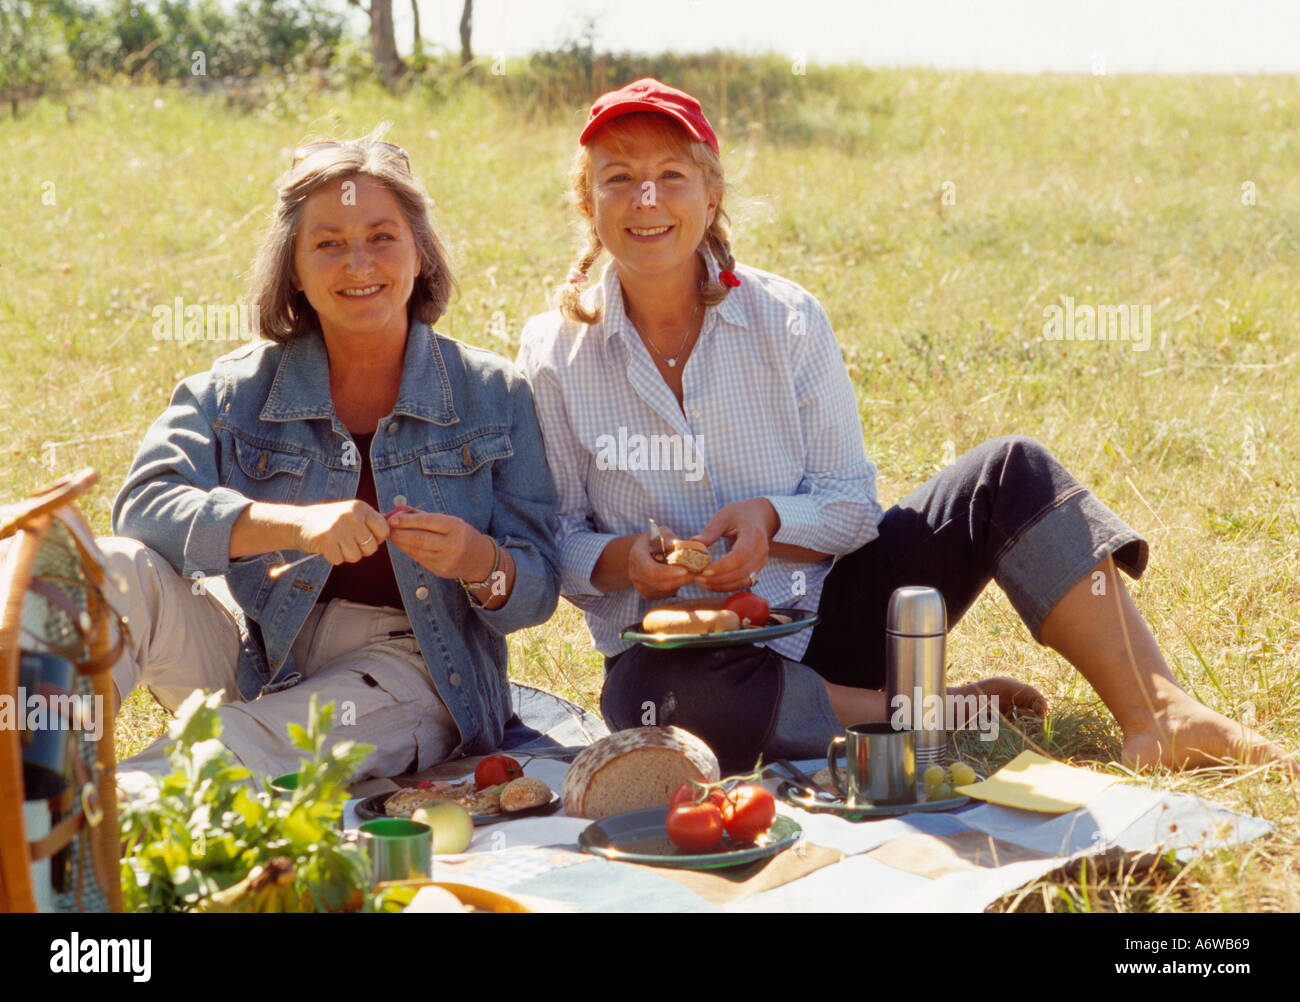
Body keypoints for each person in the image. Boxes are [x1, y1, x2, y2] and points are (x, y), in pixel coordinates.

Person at [517, 78, 1297, 775]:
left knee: (1011, 470)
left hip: (832, 616)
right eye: (619, 179)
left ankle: (1161, 716)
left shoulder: (785, 318)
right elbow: (554, 541)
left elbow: (854, 505)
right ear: (589, 204)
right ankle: (926, 711)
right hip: (682, 660)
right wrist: (627, 560)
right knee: (657, 710)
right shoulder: (552, 352)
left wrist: (772, 521)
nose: (646, 200)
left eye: (670, 178)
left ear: (710, 197)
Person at [106, 131, 559, 783]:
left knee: (235, 744)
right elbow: (142, 509)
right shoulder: (237, 391)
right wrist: (293, 526)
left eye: (381, 236)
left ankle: (84, 826)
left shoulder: (491, 393)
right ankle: (38, 774)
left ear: (420, 252)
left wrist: (477, 560)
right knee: (113, 569)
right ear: (293, 265)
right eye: (328, 244)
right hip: (260, 659)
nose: (358, 264)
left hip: (417, 672)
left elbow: (539, 584)